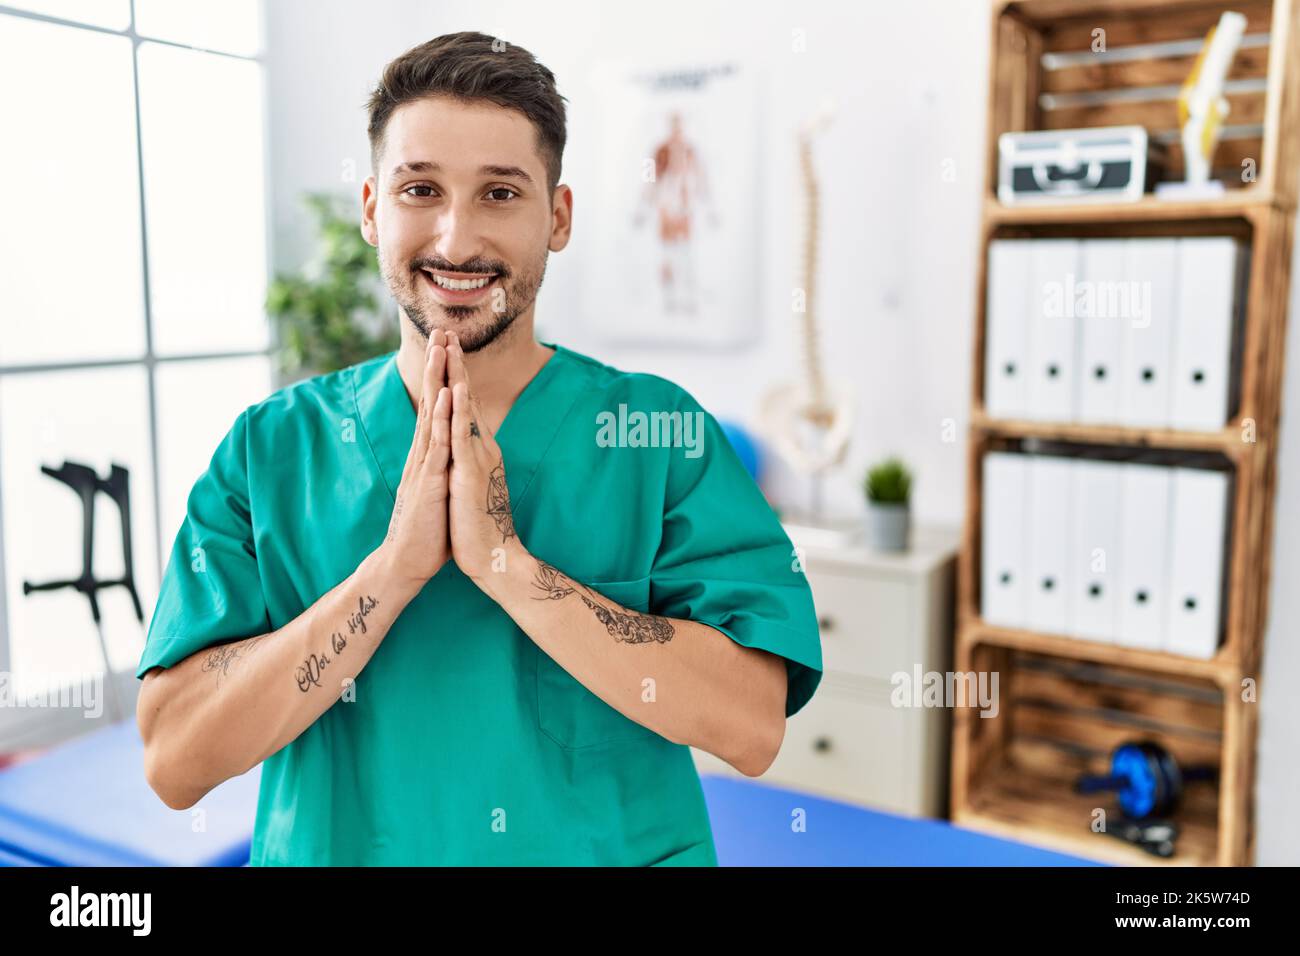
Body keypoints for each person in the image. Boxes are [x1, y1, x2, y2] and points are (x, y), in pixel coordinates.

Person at [135, 31, 822, 866]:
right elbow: (176, 761)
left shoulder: (656, 437)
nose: (457, 240)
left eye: (500, 193)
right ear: (369, 208)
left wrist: (512, 570)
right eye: (420, 188)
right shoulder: (269, 452)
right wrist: (390, 575)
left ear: (557, 216)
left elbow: (751, 728)